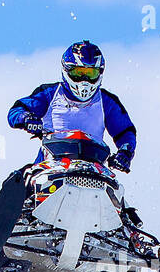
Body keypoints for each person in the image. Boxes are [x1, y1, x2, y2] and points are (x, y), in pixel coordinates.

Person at [7, 41, 136, 173]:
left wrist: (125, 153)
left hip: (94, 170)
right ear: (66, 70)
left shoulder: (107, 102)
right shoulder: (50, 93)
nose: (84, 81)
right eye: (78, 73)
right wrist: (26, 118)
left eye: (91, 74)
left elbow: (125, 131)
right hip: (50, 166)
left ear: (100, 73)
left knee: (117, 187)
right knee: (15, 181)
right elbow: (17, 110)